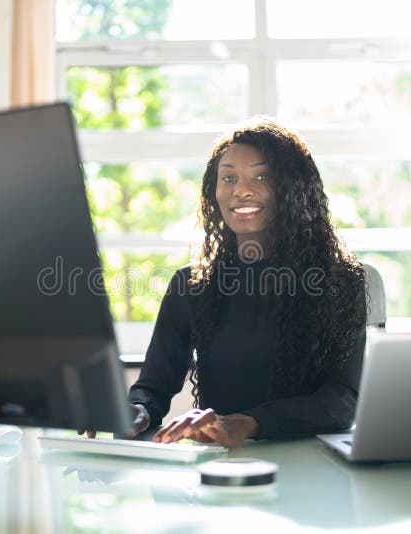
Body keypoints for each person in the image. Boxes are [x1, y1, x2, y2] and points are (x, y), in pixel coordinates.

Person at [83, 117, 367, 447]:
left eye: (262, 176)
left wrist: (249, 423)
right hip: (219, 467)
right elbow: (153, 388)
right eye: (228, 177)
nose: (241, 190)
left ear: (294, 189)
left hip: (314, 465)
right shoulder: (191, 285)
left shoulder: (339, 281)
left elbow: (343, 402)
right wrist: (134, 410)